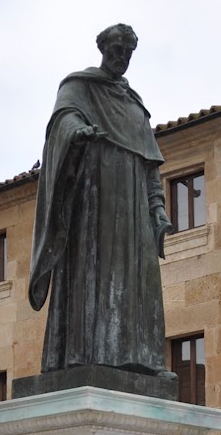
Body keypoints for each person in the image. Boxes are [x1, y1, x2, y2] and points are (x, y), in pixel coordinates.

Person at [28, 23, 174, 381]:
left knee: (138, 280)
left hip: (134, 205)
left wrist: (158, 211)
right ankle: (89, 354)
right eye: (116, 51)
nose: (121, 58)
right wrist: (77, 133)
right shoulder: (80, 87)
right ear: (103, 50)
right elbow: (63, 119)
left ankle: (144, 358)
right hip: (95, 199)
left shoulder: (136, 106)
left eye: (128, 53)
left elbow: (149, 164)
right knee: (96, 273)